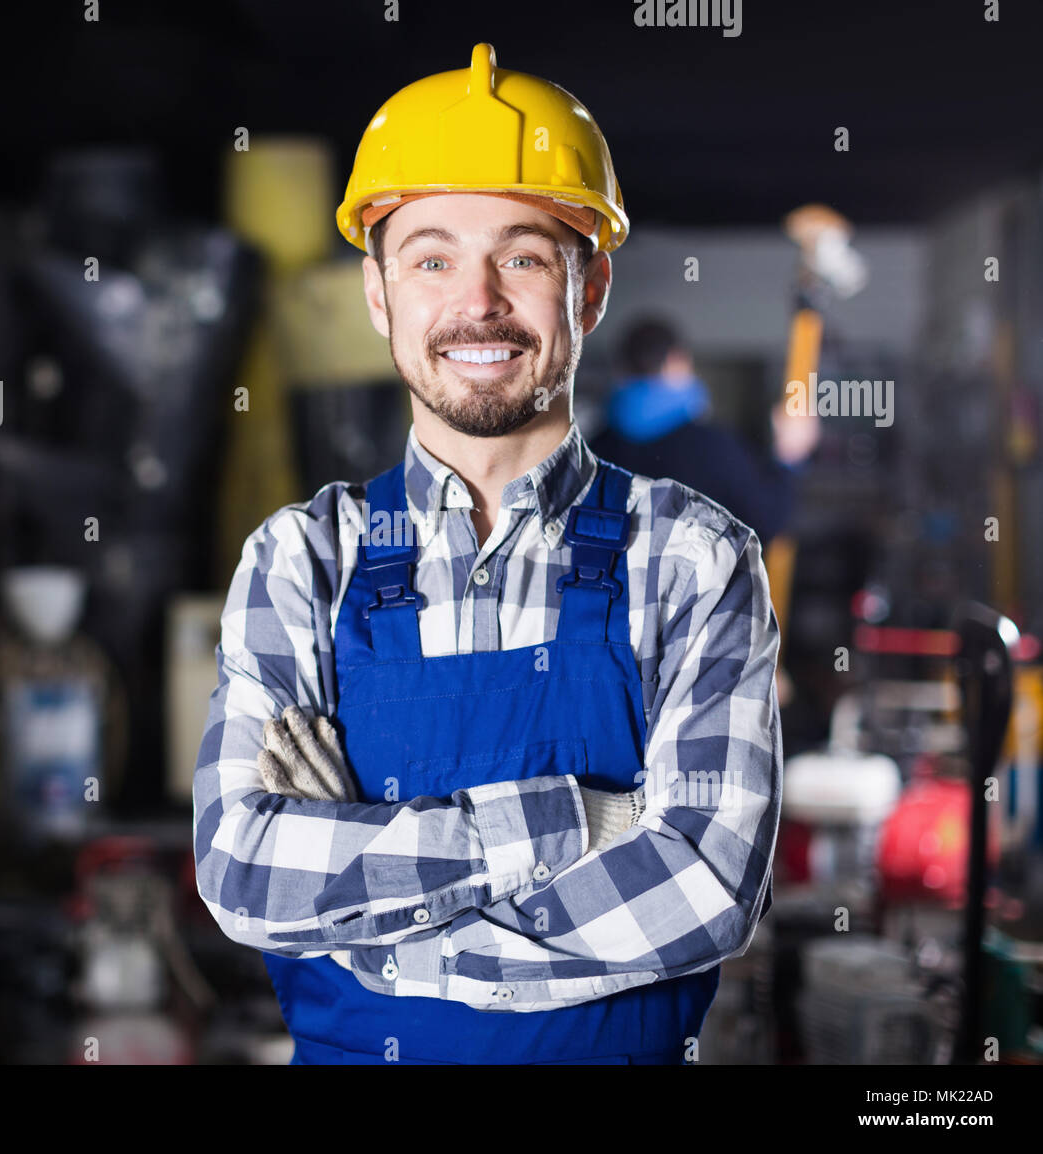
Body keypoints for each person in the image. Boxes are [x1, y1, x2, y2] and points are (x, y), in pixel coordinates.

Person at [193, 43, 782, 1065]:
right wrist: (581, 819)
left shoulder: (694, 561)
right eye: (429, 256)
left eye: (522, 254)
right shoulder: (302, 560)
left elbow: (703, 886)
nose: (478, 303)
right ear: (379, 296)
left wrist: (376, 925)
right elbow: (248, 872)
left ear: (587, 289)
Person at [590, 317, 820, 546]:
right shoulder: (714, 449)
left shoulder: (592, 450)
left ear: (621, 370)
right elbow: (769, 521)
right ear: (676, 361)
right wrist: (789, 456)